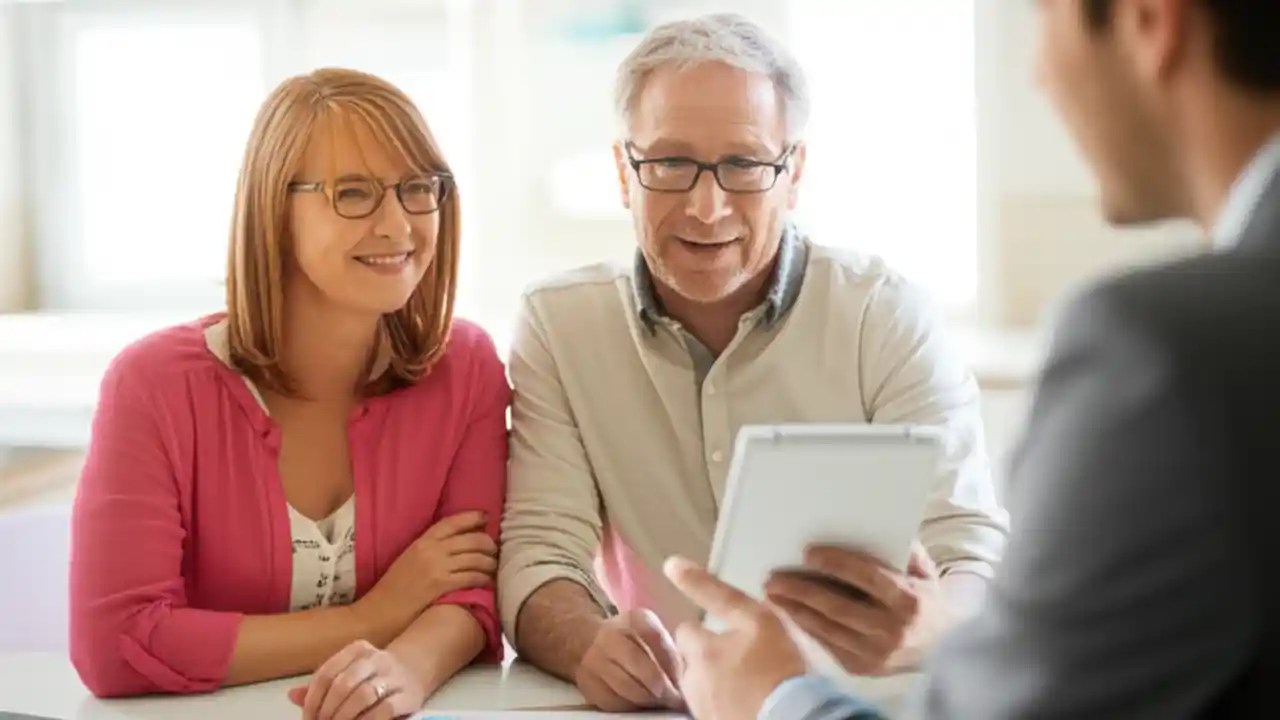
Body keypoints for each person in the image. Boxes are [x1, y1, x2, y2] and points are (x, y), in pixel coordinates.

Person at [665, 0, 1280, 717]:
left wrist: (775, 698)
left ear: (1150, 22)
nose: (1039, 75)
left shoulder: (1165, 354)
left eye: (1044, 20)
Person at [498, 13, 1008, 712]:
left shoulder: (884, 315)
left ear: (792, 174)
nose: (707, 208)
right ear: (623, 172)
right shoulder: (561, 326)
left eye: (743, 165)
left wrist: (935, 623)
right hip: (663, 707)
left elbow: (970, 551)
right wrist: (587, 642)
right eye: (671, 163)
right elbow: (538, 554)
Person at [68, 68, 510, 720]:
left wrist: (406, 672)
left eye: (418, 189)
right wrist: (373, 618)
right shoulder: (153, 385)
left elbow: (469, 591)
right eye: (353, 193)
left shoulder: (466, 367)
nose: (398, 224)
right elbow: (119, 642)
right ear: (274, 210)